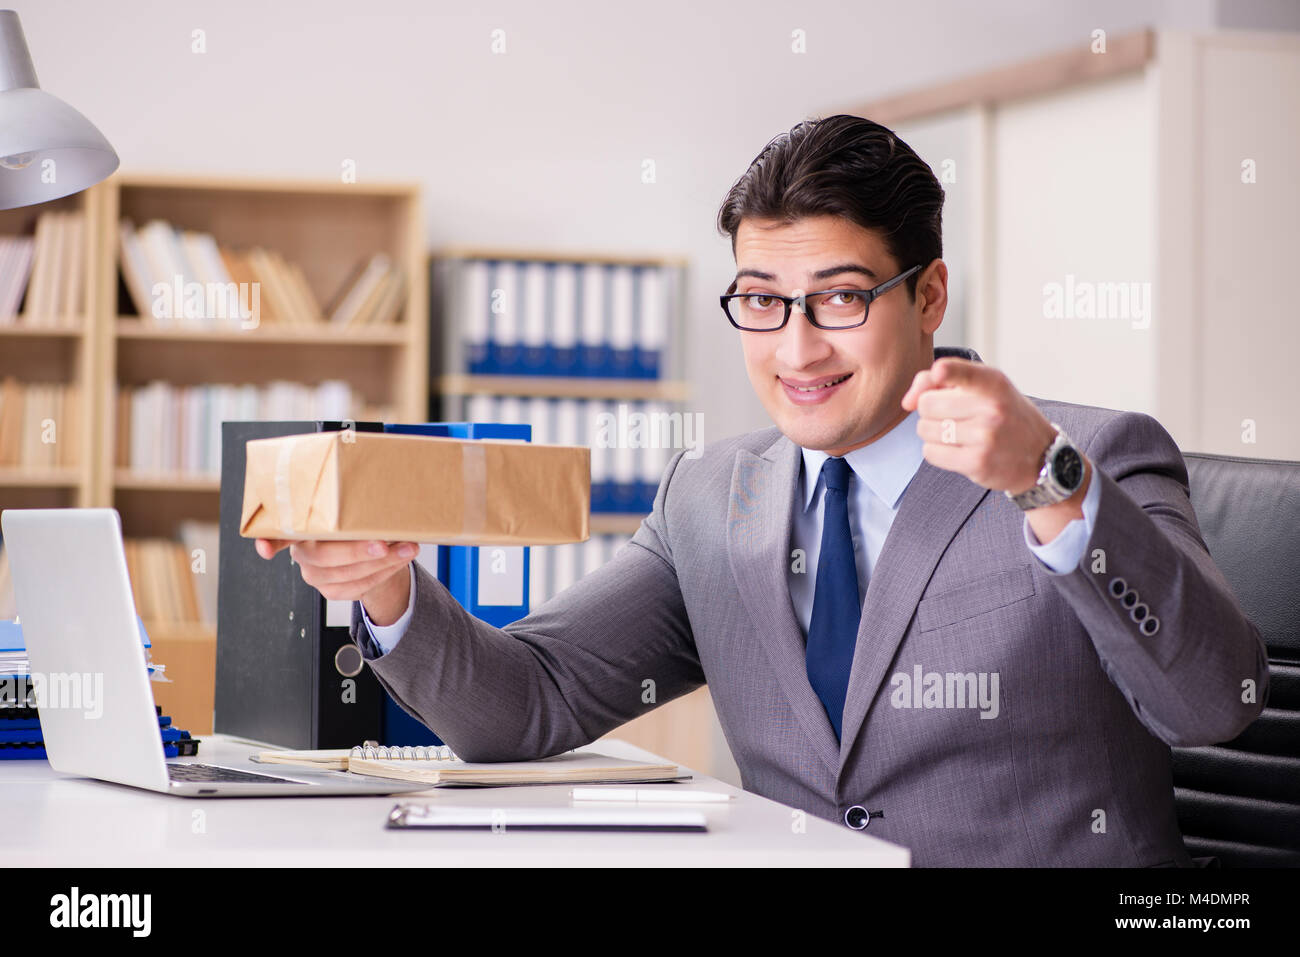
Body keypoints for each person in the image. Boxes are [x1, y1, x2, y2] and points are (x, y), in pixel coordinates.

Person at [256, 115, 1268, 866]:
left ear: (927, 295)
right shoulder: (713, 496)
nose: (795, 349)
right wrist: (384, 589)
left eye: (836, 298)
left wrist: (1050, 486)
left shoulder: (1083, 454)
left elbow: (1212, 703)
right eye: (760, 300)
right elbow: (529, 708)